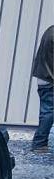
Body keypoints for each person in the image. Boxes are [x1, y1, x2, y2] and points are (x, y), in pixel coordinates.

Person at [33, 24, 53, 156]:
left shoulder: (50, 30)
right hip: (49, 78)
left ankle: (40, 144)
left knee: (47, 111)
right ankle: (39, 144)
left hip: (44, 76)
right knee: (49, 112)